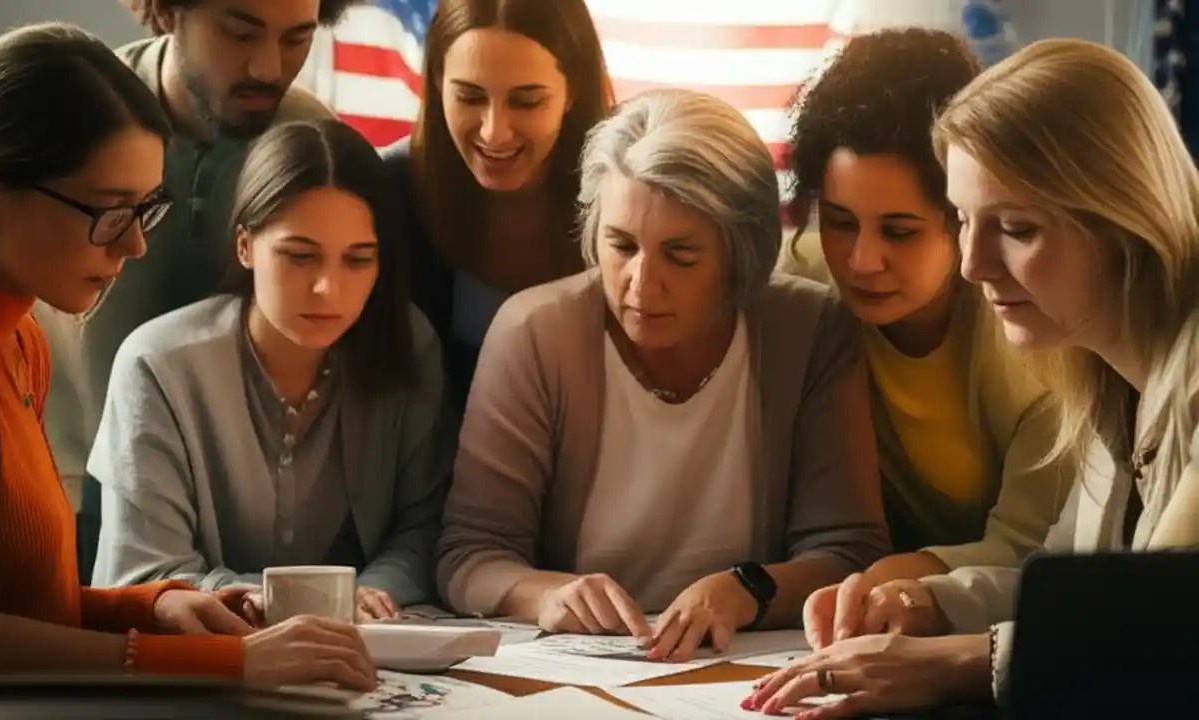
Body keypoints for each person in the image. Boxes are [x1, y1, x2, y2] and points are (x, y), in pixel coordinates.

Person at [745, 38, 1199, 718]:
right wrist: (928, 603)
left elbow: (1162, 635)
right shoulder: (1104, 376)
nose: (972, 265)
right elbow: (1061, 586)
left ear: (1122, 218)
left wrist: (964, 662)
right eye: (962, 221)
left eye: (1015, 228)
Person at [0, 23, 373, 689]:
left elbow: (28, 609)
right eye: (109, 214)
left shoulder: (18, 336)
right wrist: (231, 663)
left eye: (145, 211)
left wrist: (156, 604)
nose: (134, 248)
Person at [437, 88, 890, 663]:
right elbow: (469, 555)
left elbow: (849, 549)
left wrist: (745, 589)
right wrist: (547, 594)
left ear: (740, 251)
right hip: (578, 678)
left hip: (743, 669)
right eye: (621, 245)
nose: (642, 284)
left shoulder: (810, 328)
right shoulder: (535, 332)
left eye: (680, 255)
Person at [34, 0, 362, 583]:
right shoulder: (76, 117)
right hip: (66, 483)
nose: (268, 66)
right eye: (241, 32)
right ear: (164, 10)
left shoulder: (311, 141)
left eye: (296, 39)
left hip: (230, 512)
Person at [776, 28, 1070, 649]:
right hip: (837, 613)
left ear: (964, 216)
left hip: (971, 630)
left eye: (900, 232)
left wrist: (889, 580)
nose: (860, 261)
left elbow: (1028, 549)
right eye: (839, 222)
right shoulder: (798, 281)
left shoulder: (1033, 336)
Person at [89, 119, 453, 621]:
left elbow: (427, 528)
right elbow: (144, 573)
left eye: (358, 260)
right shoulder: (159, 364)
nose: (329, 288)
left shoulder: (408, 345)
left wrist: (371, 595)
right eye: (299, 257)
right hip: (211, 658)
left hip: (374, 648)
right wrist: (317, 601)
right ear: (245, 246)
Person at [384, 0, 612, 411]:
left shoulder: (623, 199)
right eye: (469, 97)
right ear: (437, 81)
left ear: (572, 92)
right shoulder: (387, 192)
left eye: (526, 102)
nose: (494, 132)